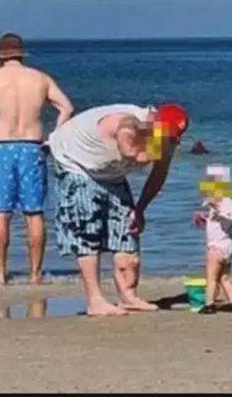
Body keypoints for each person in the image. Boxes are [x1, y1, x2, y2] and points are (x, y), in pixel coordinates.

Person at [47, 102, 189, 317]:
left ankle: (128, 296)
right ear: (154, 122)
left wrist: (140, 209)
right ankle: (95, 301)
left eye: (173, 138)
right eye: (165, 134)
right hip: (76, 161)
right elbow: (130, 152)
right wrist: (151, 152)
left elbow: (158, 175)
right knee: (87, 230)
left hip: (110, 171)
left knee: (127, 229)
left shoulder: (165, 140)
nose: (167, 141)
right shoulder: (128, 123)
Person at [0, 33, 74, 285]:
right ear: (21, 55)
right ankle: (35, 274)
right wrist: (53, 137)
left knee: (0, 213)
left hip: (1, 148)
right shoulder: (40, 78)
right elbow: (66, 107)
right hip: (32, 147)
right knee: (34, 214)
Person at [192, 165, 232, 312]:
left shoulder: (224, 203)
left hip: (218, 246)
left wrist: (219, 211)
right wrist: (205, 216)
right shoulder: (216, 204)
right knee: (224, 276)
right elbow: (217, 221)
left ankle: (209, 304)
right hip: (227, 246)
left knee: (211, 276)